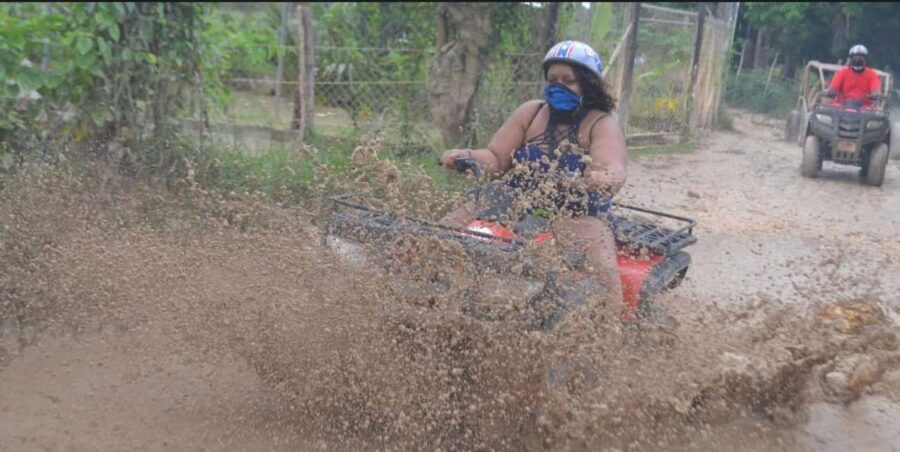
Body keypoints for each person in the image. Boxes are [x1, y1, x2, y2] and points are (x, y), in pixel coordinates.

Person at [438, 40, 627, 307]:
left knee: (602, 271)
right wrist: (466, 156)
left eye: (568, 80)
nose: (558, 86)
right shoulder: (532, 112)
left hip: (576, 212)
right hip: (513, 201)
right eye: (552, 80)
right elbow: (495, 158)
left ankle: (609, 330)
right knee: (443, 231)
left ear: (587, 84)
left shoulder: (601, 123)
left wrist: (605, 177)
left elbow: (613, 165)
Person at [825, 45, 882, 109]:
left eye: (861, 58)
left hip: (864, 108)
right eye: (856, 57)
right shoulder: (842, 73)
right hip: (841, 106)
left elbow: (876, 91)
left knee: (872, 112)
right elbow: (832, 89)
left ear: (865, 59)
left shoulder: (872, 74)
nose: (858, 60)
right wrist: (830, 92)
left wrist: (875, 95)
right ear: (851, 59)